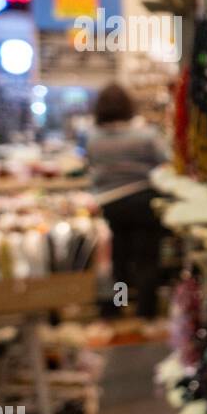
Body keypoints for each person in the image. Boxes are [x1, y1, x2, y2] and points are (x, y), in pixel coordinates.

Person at [86, 84, 169, 318]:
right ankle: (146, 311)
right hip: (143, 201)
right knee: (147, 259)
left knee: (119, 259)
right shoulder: (146, 136)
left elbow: (92, 168)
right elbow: (165, 161)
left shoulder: (93, 139)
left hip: (111, 204)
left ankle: (118, 307)